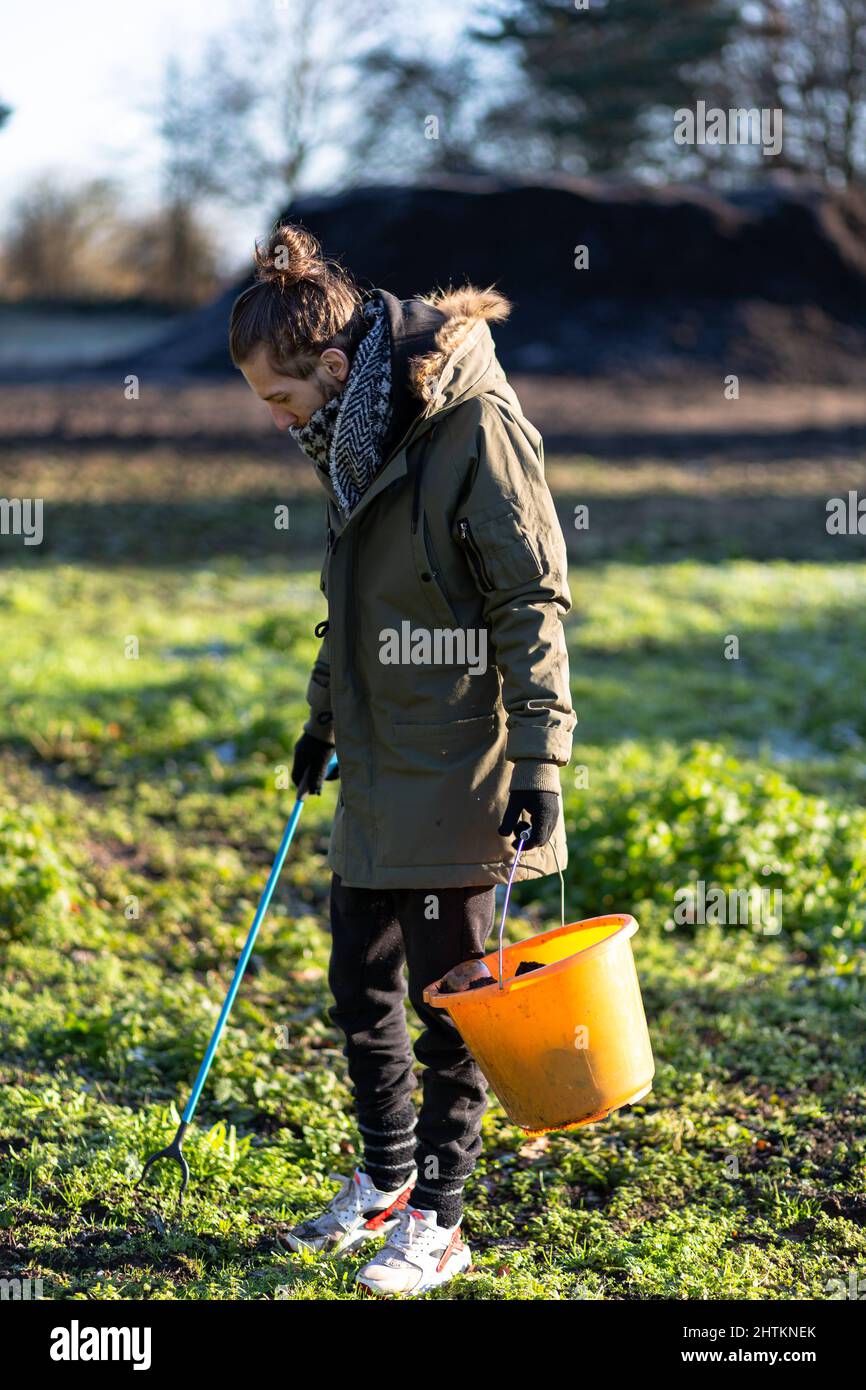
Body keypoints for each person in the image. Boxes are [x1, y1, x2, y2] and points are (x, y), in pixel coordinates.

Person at [231, 224, 575, 1296]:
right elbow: (353, 604)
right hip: (380, 762)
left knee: (448, 1005)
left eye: (277, 395)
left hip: (465, 765)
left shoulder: (473, 429)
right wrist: (322, 719)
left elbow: (530, 602)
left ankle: (439, 1217)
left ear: (333, 367)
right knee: (357, 984)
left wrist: (539, 765)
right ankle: (384, 1179)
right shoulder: (351, 435)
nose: (271, 418)